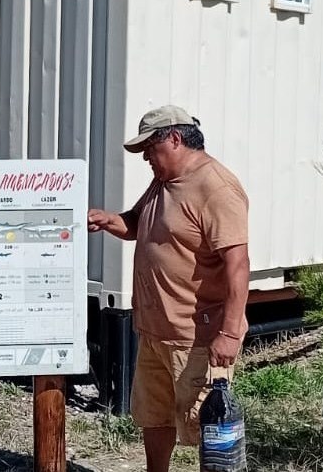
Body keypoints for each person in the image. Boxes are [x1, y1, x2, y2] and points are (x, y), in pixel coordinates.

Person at [88, 105, 249, 472]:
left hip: (197, 337)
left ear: (174, 139)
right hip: (154, 333)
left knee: (207, 431)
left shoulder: (215, 187)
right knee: (154, 418)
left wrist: (228, 332)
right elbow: (135, 223)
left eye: (149, 148)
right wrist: (110, 220)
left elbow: (238, 265)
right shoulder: (164, 181)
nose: (146, 156)